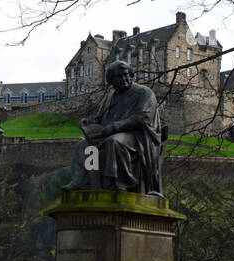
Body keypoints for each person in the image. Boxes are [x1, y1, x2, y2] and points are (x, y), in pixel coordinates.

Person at [64, 60, 164, 195]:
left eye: (126, 74)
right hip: (109, 132)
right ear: (111, 80)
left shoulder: (144, 93)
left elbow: (143, 117)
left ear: (131, 74)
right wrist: (88, 122)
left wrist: (116, 126)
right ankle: (83, 181)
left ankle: (121, 183)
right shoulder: (111, 96)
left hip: (137, 136)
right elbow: (100, 118)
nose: (124, 79)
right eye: (118, 76)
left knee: (114, 141)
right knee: (85, 146)